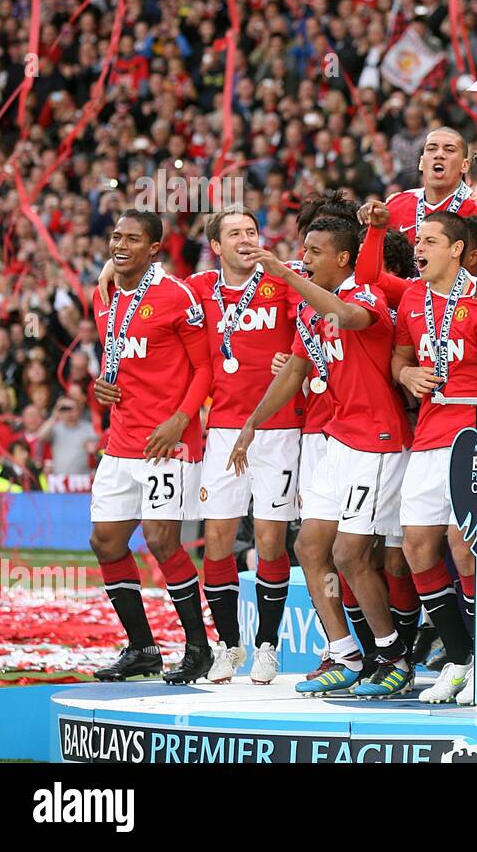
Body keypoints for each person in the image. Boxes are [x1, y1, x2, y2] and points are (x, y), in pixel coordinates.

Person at [230, 216, 411, 698]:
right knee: (310, 548)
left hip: (378, 440)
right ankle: (345, 652)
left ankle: (393, 655)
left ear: (343, 259)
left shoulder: (366, 296)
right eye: (302, 251)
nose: (304, 259)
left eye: (313, 252)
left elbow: (348, 318)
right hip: (337, 441)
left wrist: (289, 277)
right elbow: (293, 370)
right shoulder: (309, 314)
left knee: (351, 554)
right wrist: (252, 423)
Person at [393, 211, 477, 705]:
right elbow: (401, 357)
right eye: (416, 240)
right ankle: (461, 659)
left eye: (429, 241)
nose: (417, 249)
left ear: (457, 249)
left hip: (473, 436)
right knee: (417, 546)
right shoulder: (410, 299)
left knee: (464, 545)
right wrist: (406, 377)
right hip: (427, 435)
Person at [89, 210, 214, 683]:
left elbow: (204, 369)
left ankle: (198, 648)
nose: (120, 245)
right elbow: (119, 357)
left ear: (154, 248)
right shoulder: (103, 296)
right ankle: (142, 648)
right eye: (116, 236)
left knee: (162, 540)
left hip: (169, 443)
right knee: (105, 541)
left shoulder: (176, 297)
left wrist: (180, 421)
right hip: (121, 440)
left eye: (132, 239)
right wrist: (103, 385)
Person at [187, 208, 301, 685]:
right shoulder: (199, 290)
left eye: (251, 231)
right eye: (234, 233)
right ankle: (228, 646)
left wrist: (292, 356)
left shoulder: (280, 281)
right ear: (216, 246)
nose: (245, 239)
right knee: (217, 538)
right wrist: (109, 271)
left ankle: (267, 647)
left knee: (271, 539)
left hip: (277, 429)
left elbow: (313, 329)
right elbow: (148, 290)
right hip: (224, 431)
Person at [384, 126, 477, 238]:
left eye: (449, 150)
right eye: (431, 149)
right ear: (421, 163)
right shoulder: (395, 206)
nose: (439, 154)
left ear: (464, 166)